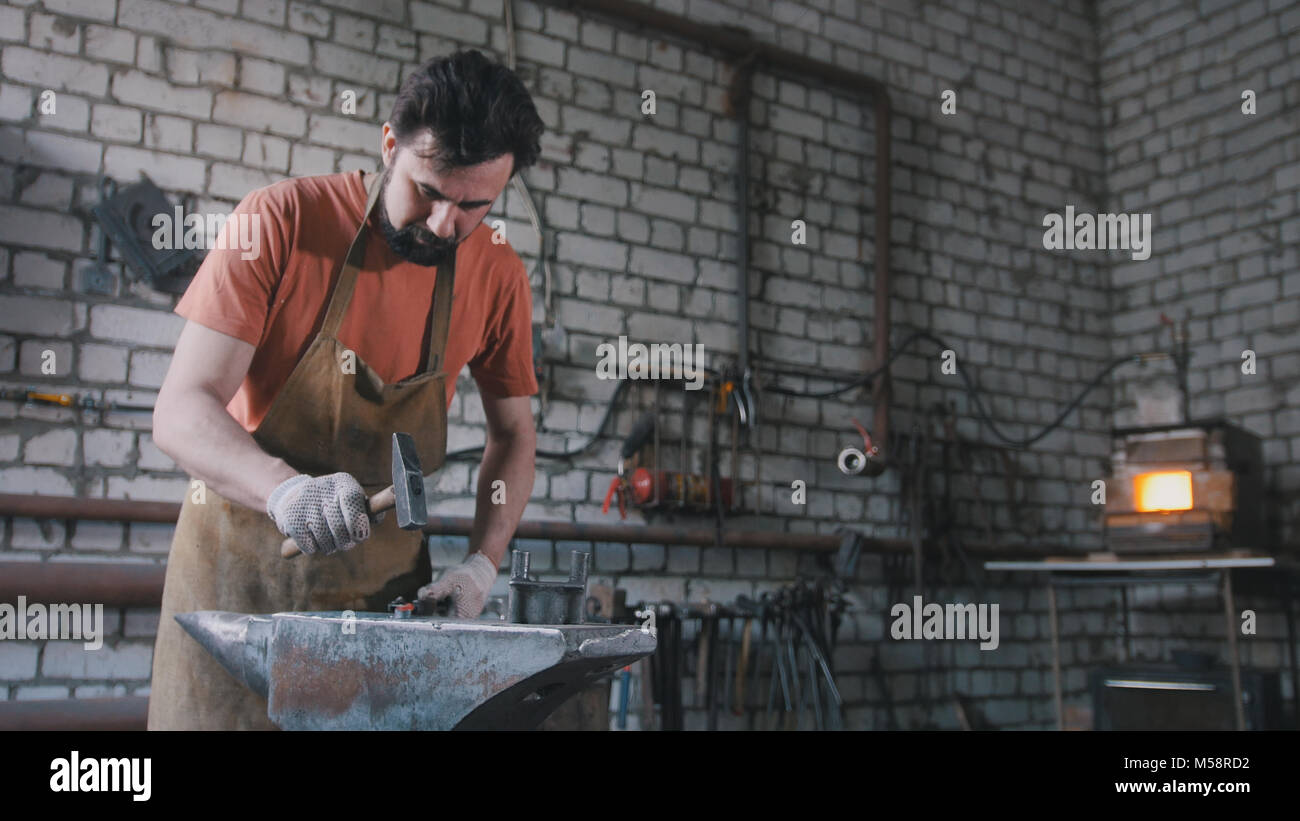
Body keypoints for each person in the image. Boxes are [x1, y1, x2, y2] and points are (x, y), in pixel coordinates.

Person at [146, 50, 545, 729]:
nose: (447, 225)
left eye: (476, 204)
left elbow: (513, 434)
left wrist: (482, 564)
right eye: (430, 191)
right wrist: (284, 488)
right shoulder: (281, 221)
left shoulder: (497, 274)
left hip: (384, 613)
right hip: (240, 595)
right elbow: (180, 410)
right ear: (390, 144)